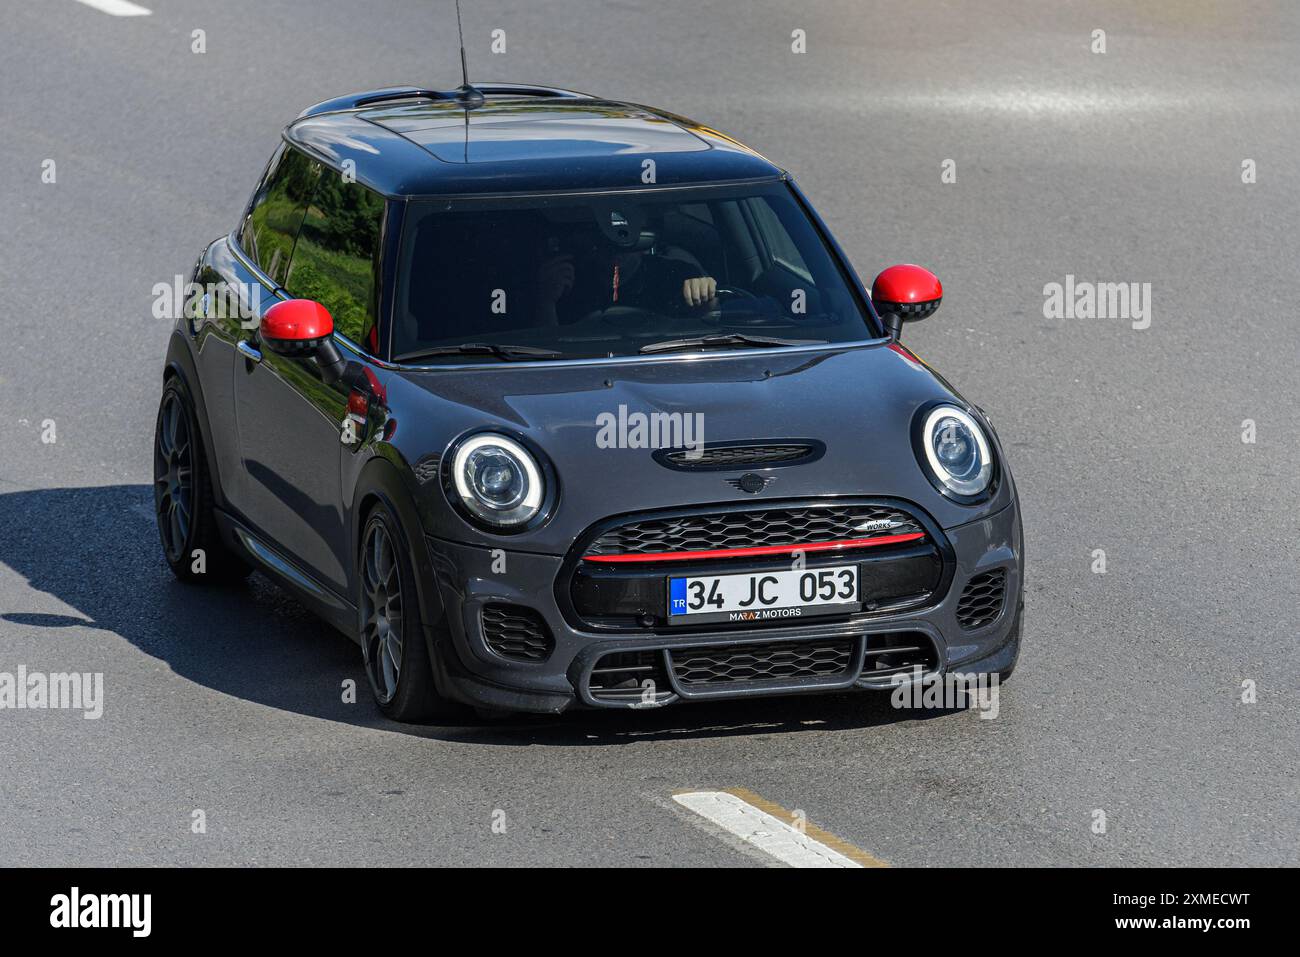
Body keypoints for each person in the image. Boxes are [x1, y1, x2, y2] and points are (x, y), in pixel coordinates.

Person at [534, 241, 716, 326]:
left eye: (624, 237)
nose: (616, 248)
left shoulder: (677, 277)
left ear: (643, 240)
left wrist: (707, 298)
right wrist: (545, 302)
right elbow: (543, 350)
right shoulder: (563, 280)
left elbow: (708, 334)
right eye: (606, 238)